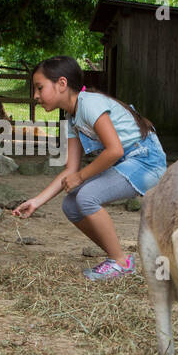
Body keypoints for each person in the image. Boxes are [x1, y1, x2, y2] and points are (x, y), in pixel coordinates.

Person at [13, 56, 167, 280]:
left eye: (39, 87)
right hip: (127, 162)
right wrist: (36, 201)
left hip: (146, 160)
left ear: (62, 84)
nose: (35, 96)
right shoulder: (71, 118)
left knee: (86, 196)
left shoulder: (89, 104)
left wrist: (81, 177)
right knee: (71, 204)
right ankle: (116, 258)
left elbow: (114, 150)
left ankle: (120, 263)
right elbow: (70, 170)